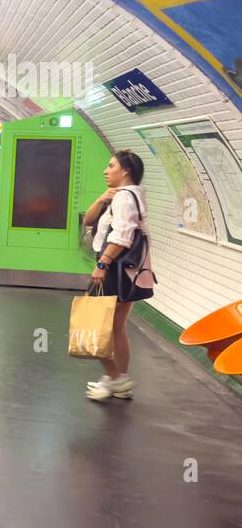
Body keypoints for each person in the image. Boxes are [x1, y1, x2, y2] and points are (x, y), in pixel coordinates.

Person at [80, 150, 153, 402]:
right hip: (129, 271)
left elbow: (121, 235)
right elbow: (89, 220)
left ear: (125, 171)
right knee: (117, 328)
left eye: (111, 166)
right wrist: (102, 199)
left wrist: (102, 263)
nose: (105, 170)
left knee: (91, 325)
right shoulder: (128, 196)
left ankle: (115, 379)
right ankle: (121, 380)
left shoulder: (123, 197)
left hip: (112, 270)